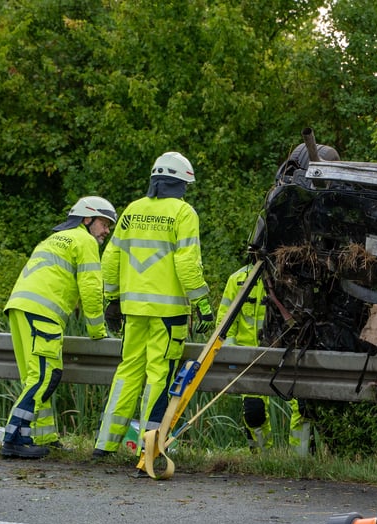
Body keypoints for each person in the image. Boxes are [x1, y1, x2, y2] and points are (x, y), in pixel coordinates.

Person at [92, 151, 214, 460]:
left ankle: (104, 445)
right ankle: (148, 449)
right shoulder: (183, 212)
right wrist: (202, 303)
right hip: (168, 313)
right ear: (181, 184)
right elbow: (187, 263)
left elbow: (111, 259)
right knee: (159, 375)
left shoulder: (132, 210)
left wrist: (112, 299)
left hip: (133, 310)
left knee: (128, 372)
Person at [1, 196, 118, 458]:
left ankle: (43, 437)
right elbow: (90, 287)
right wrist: (98, 331)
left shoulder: (53, 238)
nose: (107, 231)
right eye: (104, 223)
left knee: (34, 377)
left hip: (20, 308)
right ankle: (13, 438)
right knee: (45, 377)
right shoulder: (85, 241)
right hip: (43, 312)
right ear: (87, 219)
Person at [217, 262, 306, 453]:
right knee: (254, 412)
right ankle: (263, 457)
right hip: (251, 360)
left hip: (287, 357)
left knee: (304, 407)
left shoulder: (293, 279)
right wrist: (234, 356)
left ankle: (301, 459)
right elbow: (224, 324)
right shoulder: (239, 280)